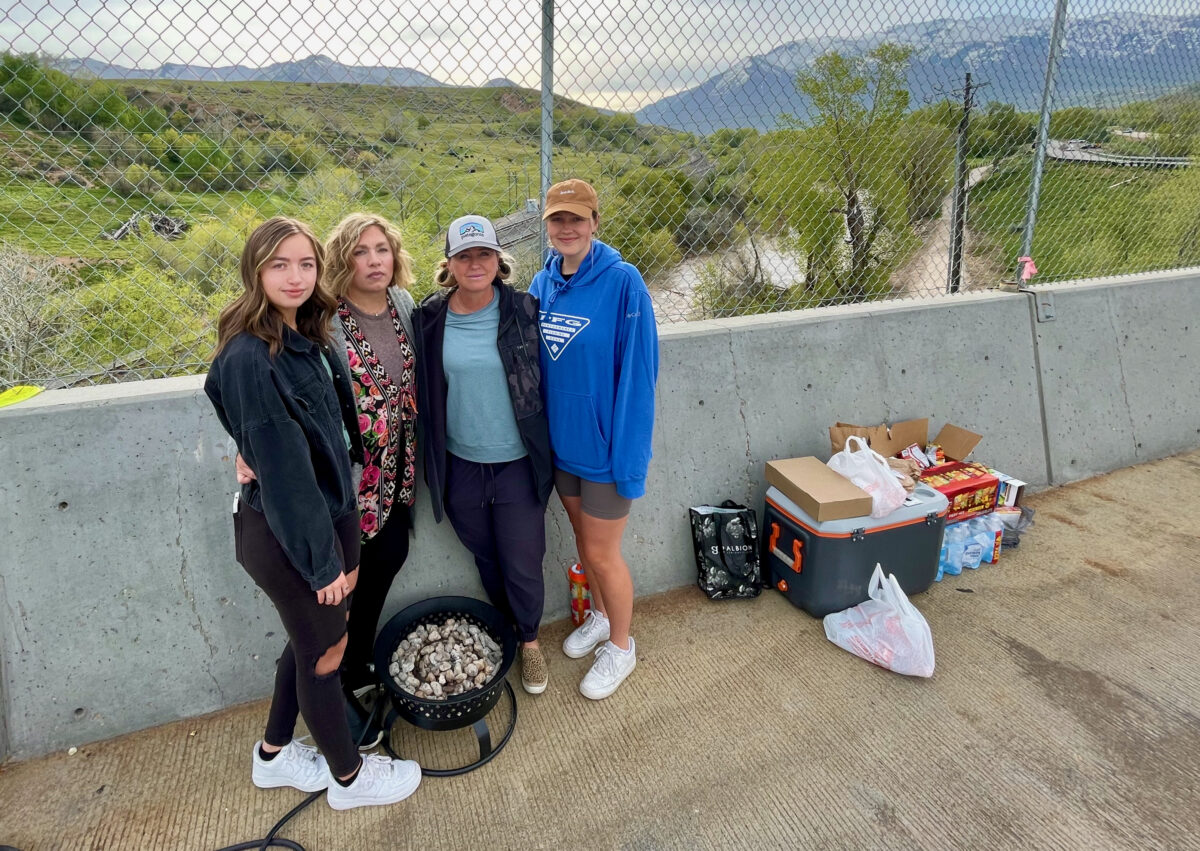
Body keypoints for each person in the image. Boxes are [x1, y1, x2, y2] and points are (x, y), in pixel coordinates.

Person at [206, 216, 421, 810]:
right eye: (279, 265)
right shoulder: (255, 355)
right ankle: (350, 779)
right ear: (255, 271)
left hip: (324, 518)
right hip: (289, 534)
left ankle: (273, 756)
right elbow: (289, 481)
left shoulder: (302, 331)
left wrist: (252, 443)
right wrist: (324, 564)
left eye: (303, 263)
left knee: (307, 645)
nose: (295, 276)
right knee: (326, 653)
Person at [529, 179, 659, 700]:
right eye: (557, 220)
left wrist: (627, 456)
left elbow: (639, 376)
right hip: (565, 447)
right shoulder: (544, 284)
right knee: (585, 544)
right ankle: (601, 617)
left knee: (604, 554)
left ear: (595, 223)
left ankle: (622, 648)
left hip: (606, 452)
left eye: (576, 219)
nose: (567, 228)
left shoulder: (623, 283)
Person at [413, 214, 554, 694]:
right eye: (464, 255)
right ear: (448, 264)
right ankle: (511, 629)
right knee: (486, 557)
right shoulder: (429, 318)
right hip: (459, 465)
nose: (475, 263)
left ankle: (531, 642)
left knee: (521, 557)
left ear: (499, 260)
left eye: (484, 254)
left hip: (516, 461)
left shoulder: (525, 309)